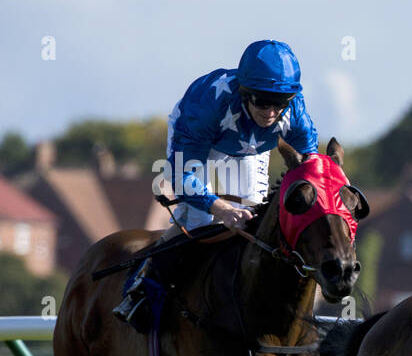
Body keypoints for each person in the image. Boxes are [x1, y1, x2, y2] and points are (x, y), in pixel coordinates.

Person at [114, 39, 318, 328]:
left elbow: (312, 171)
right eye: (261, 100)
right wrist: (220, 208)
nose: (271, 112)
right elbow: (181, 178)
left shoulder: (295, 111)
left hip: (252, 148)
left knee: (256, 222)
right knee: (199, 222)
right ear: (245, 92)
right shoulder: (208, 105)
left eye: (279, 103)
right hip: (203, 142)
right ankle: (142, 288)